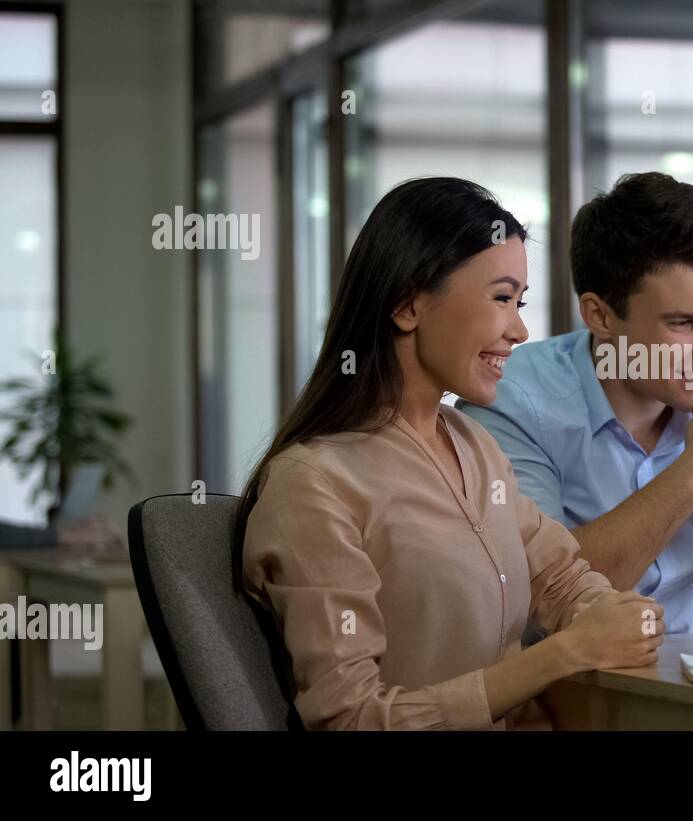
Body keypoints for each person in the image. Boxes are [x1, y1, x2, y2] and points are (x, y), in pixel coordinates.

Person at [237, 177, 664, 731]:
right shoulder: (313, 483)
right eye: (501, 298)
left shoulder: (473, 445)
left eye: (521, 302)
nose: (519, 328)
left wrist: (610, 613)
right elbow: (352, 719)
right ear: (408, 304)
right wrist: (564, 654)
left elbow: (559, 577)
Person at [459, 172, 693, 636]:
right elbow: (535, 599)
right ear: (599, 315)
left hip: (676, 698)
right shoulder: (510, 400)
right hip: (546, 702)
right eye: (683, 323)